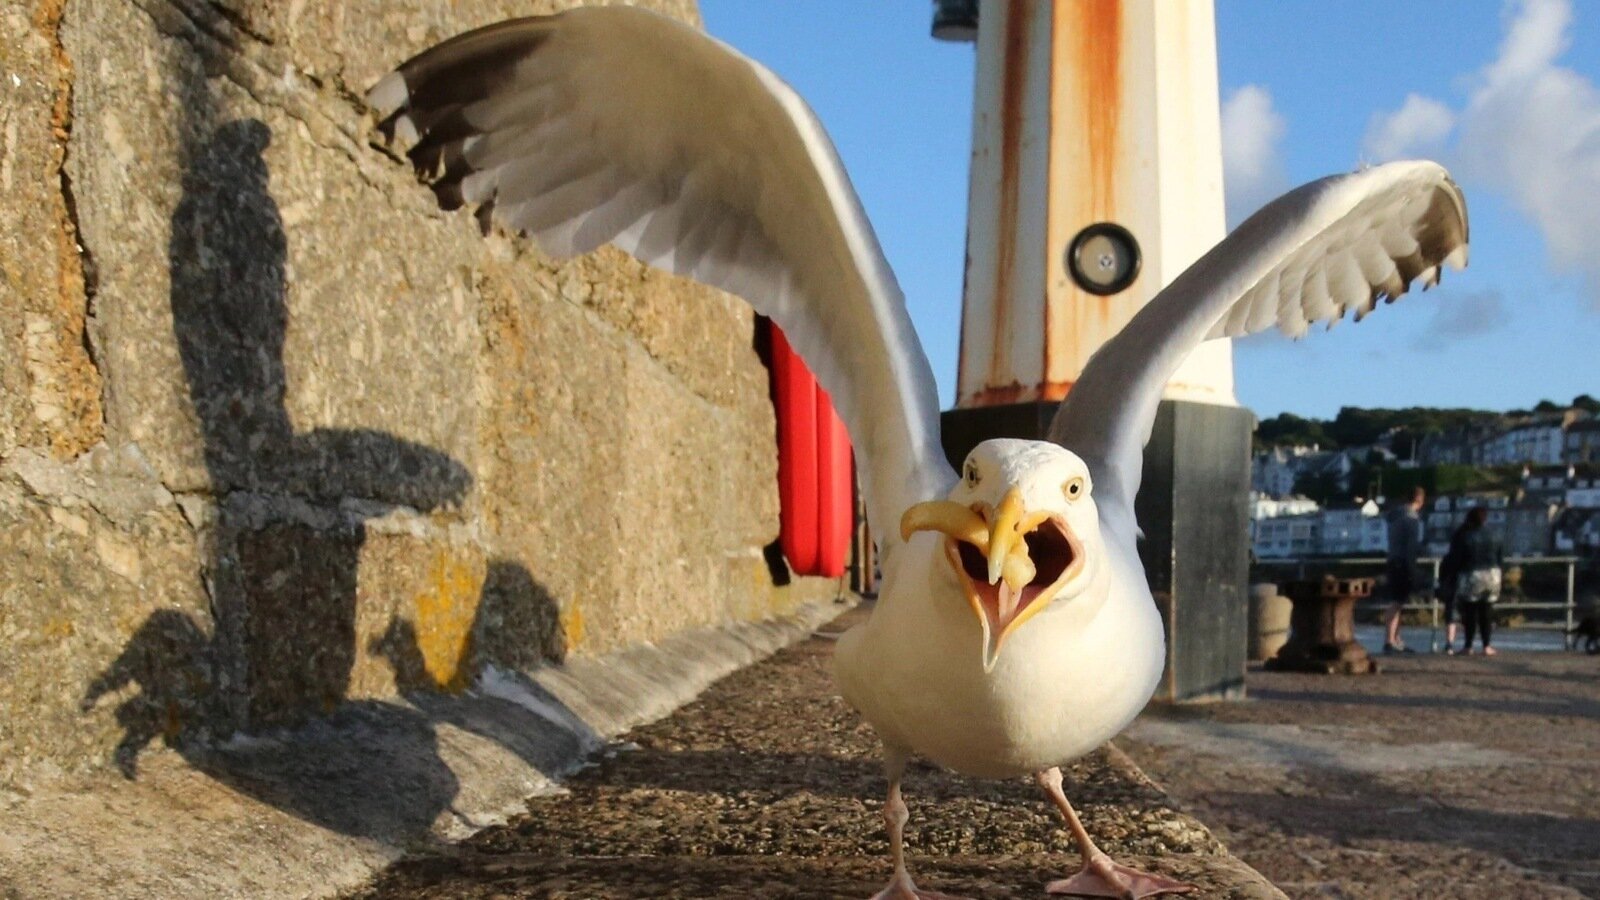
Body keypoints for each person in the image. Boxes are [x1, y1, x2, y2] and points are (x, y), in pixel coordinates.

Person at [1453, 506, 1503, 655]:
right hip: (1493, 574)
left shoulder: (1465, 535)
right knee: (1487, 611)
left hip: (1472, 574)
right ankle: (1487, 646)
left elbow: (1458, 558)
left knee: (1470, 611)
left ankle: (1468, 646)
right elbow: (1500, 557)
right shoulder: (1495, 534)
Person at [1383, 487, 1426, 653]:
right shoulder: (1411, 520)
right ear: (1420, 501)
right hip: (1403, 563)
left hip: (1393, 560)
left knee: (1397, 601)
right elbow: (1411, 548)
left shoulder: (1395, 517)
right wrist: (1413, 569)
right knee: (1398, 602)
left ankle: (1394, 639)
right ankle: (1390, 640)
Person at [1436, 518, 1466, 653]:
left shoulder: (1448, 557)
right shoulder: (1467, 555)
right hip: (1466, 587)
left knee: (1450, 615)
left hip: (1451, 587)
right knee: (1469, 615)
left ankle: (1449, 644)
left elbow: (1442, 574)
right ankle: (1468, 645)